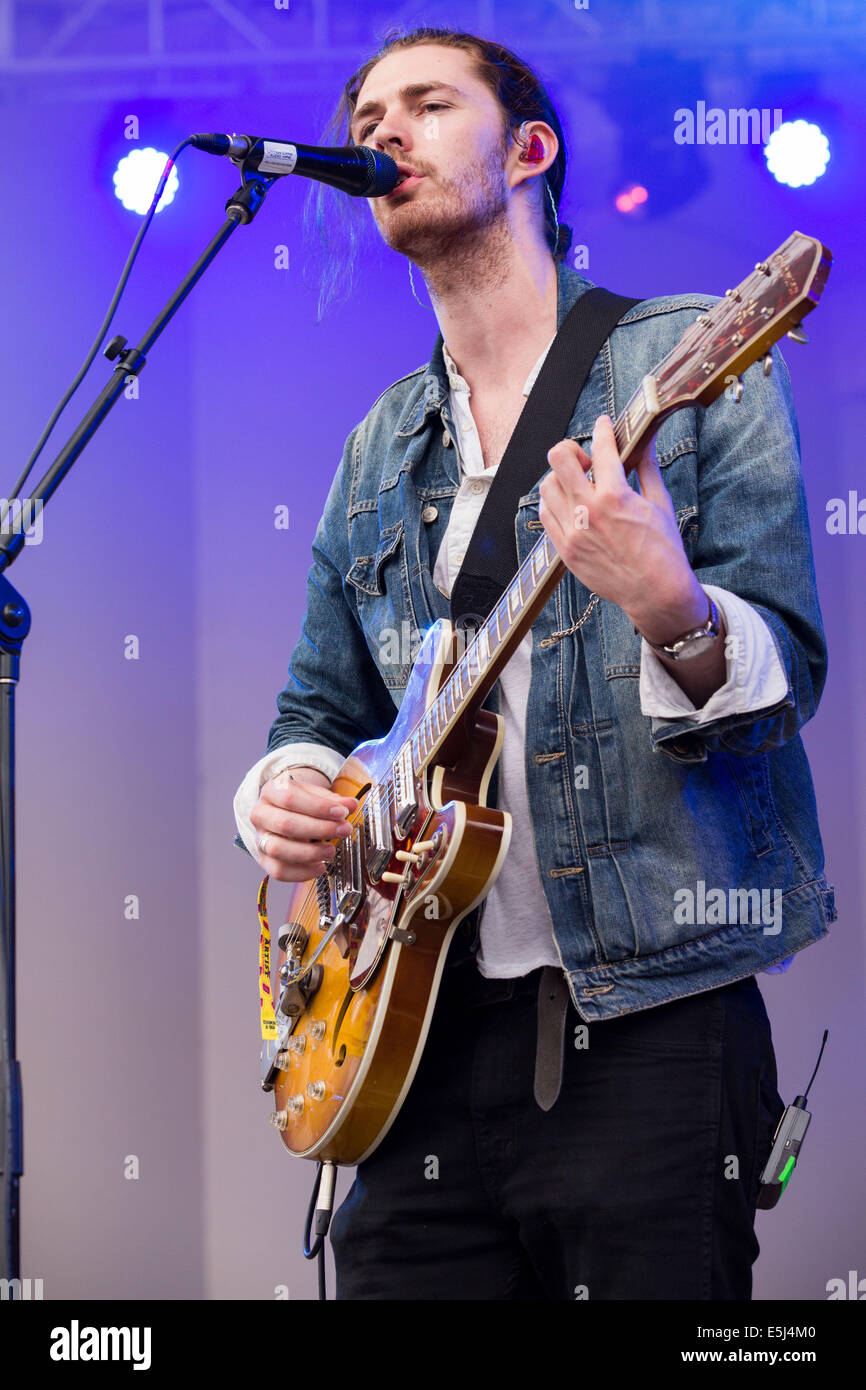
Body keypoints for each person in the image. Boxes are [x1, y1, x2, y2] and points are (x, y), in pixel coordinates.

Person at [233, 27, 835, 1300]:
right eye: (369, 111)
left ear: (528, 150)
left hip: (648, 1019)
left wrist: (665, 598)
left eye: (427, 103)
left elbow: (785, 673)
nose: (383, 129)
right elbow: (318, 709)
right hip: (413, 1033)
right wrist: (279, 790)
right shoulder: (378, 447)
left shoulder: (681, 360)